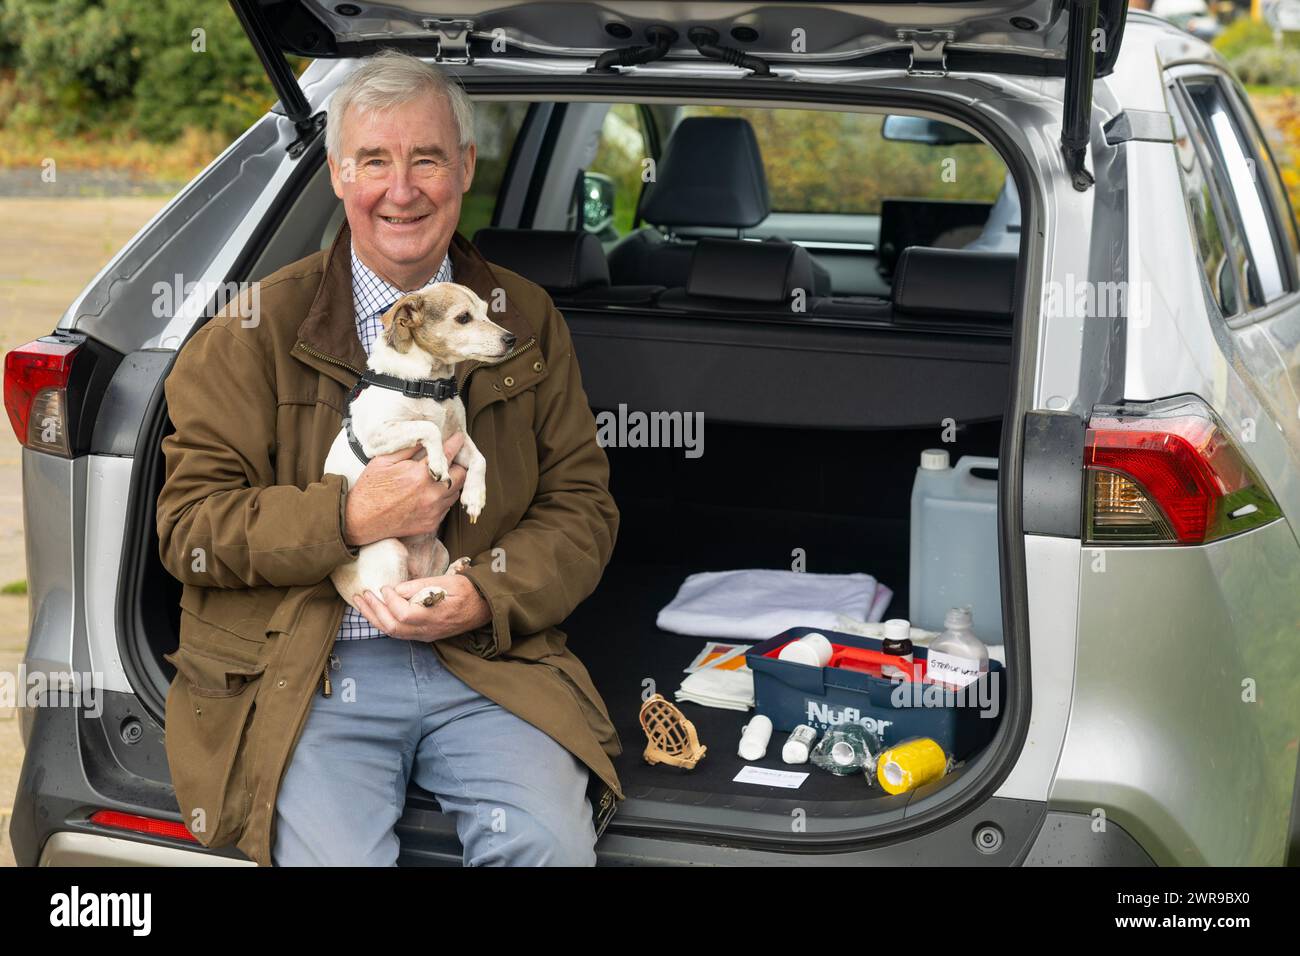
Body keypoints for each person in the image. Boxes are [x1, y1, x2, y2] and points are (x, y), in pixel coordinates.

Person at [156, 49, 622, 866]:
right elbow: (192, 528)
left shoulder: (525, 319)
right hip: (311, 670)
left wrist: (485, 593)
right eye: (374, 160)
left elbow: (582, 509)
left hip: (486, 665)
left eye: (427, 159)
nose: (400, 190)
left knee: (548, 849)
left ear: (466, 169)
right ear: (338, 173)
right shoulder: (246, 333)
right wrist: (346, 517)